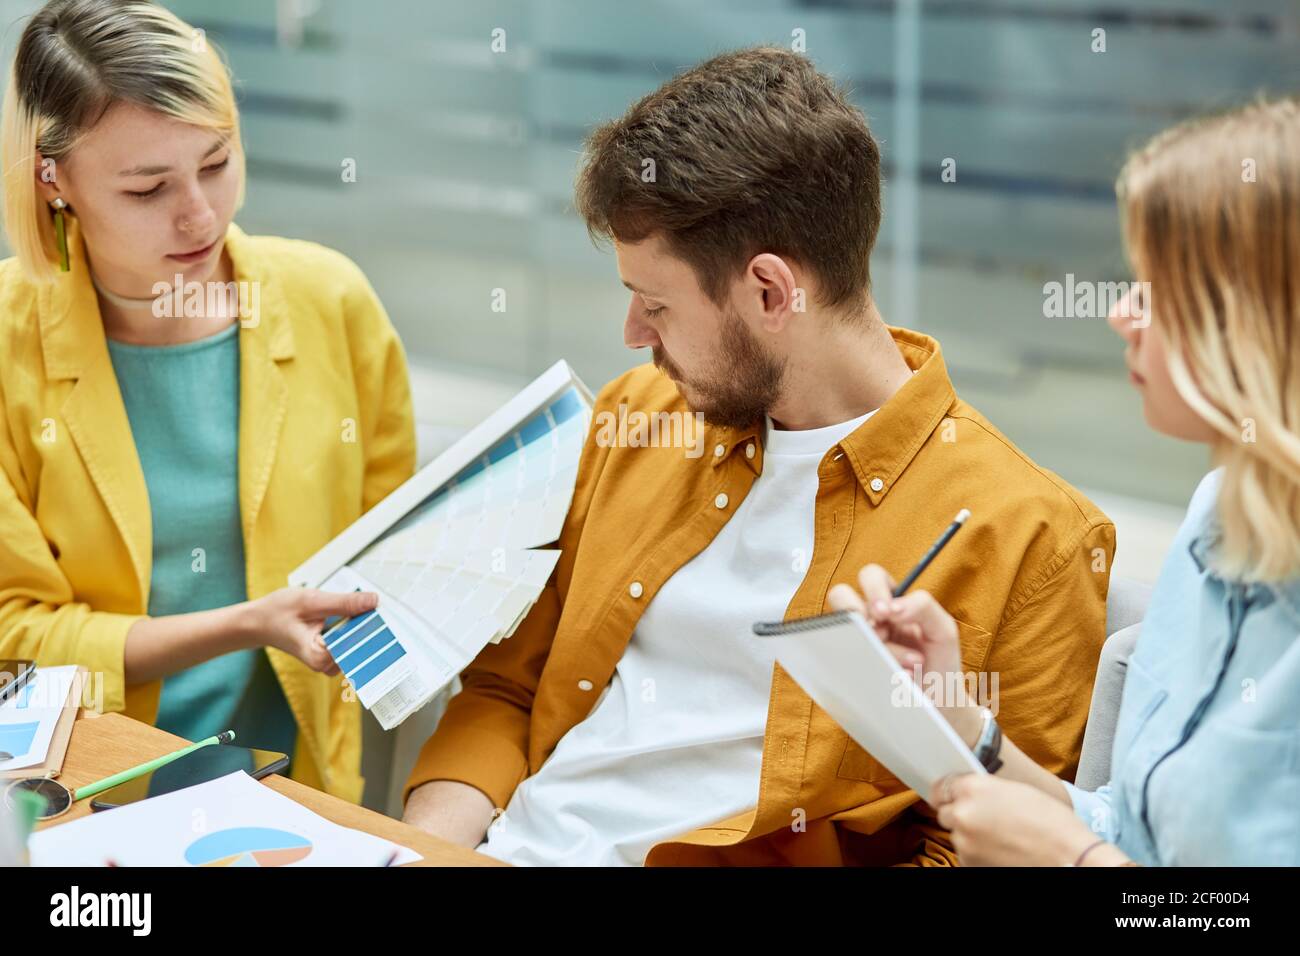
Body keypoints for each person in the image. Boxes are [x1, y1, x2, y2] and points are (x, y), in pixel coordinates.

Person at [401, 47, 1115, 866]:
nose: (634, 335)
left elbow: (984, 848)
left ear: (771, 293)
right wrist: (423, 856)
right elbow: (505, 689)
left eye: (656, 304)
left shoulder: (1032, 541)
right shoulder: (637, 419)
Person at [831, 97, 1300, 866]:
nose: (1121, 314)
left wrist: (1074, 864)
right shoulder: (1221, 515)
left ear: (1256, 322)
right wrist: (957, 721)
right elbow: (1132, 827)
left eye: (1155, 290)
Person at [0, 0, 415, 803]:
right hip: (80, 793)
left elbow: (396, 543)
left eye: (217, 164)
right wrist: (248, 622)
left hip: (295, 793)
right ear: (53, 181)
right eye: (148, 188)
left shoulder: (330, 300)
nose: (201, 216)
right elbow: (14, 638)